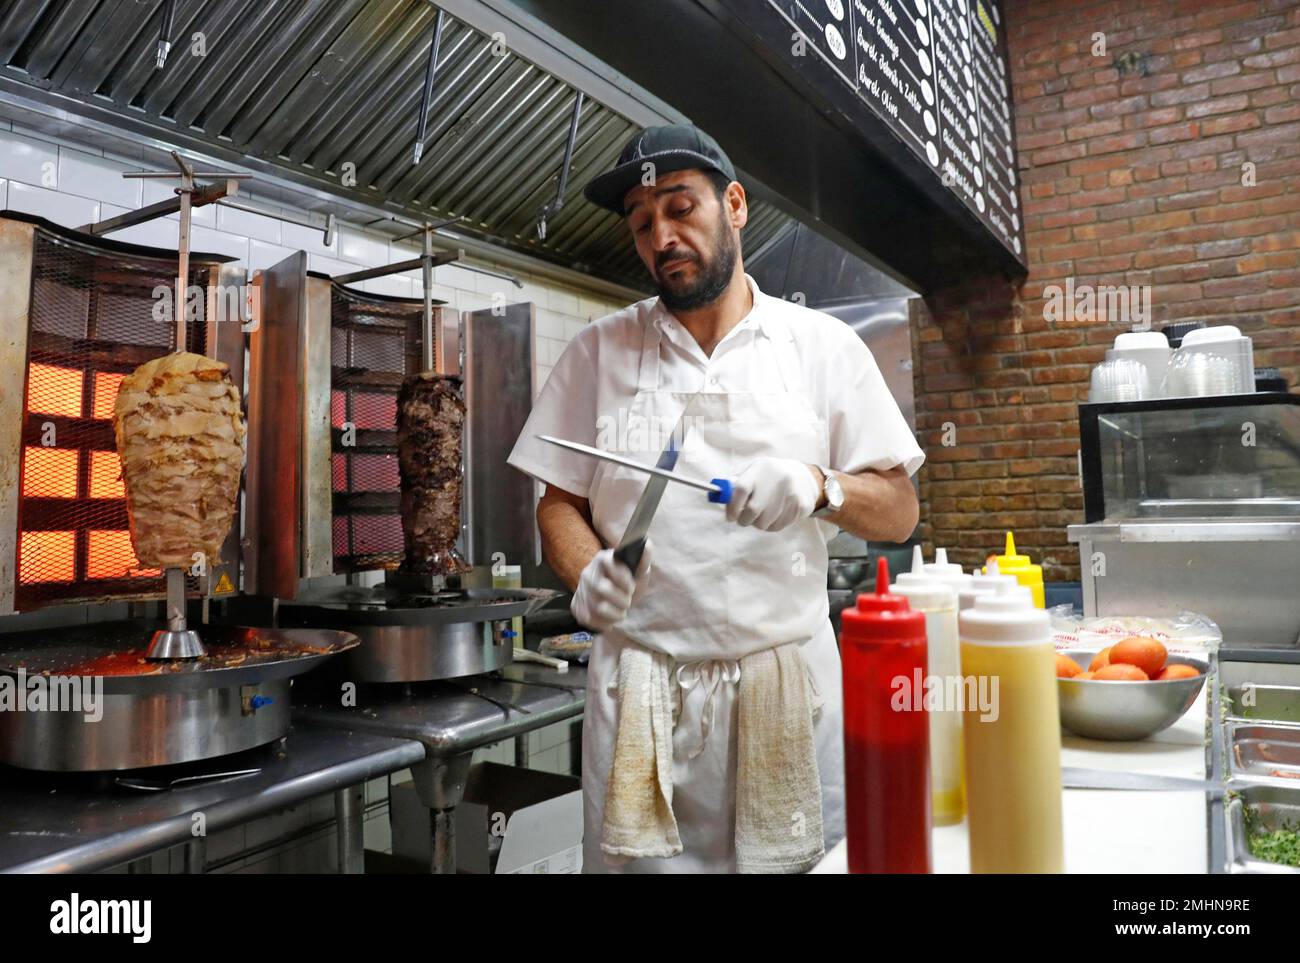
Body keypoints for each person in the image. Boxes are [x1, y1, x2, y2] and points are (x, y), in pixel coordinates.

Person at [508, 125, 924, 873]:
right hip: (641, 699)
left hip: (787, 699)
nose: (662, 235)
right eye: (641, 222)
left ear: (734, 204)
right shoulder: (597, 353)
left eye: (680, 207)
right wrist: (586, 569)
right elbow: (557, 502)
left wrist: (821, 485)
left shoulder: (821, 347)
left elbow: (899, 507)